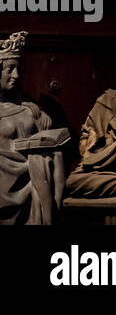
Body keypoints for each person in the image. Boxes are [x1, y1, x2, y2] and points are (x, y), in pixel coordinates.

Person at [0, 31, 69, 224]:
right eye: (9, 69)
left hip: (35, 190)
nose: (16, 75)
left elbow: (54, 152)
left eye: (18, 69)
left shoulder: (30, 111)